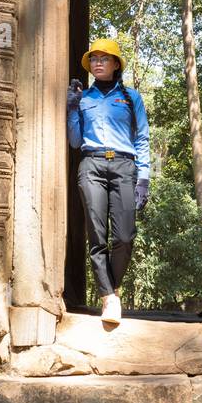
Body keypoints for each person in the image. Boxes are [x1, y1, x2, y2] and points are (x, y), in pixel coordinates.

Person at [66, 37, 150, 324]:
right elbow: (76, 141)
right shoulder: (83, 98)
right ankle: (108, 298)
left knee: (124, 236)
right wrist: (72, 109)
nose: (98, 63)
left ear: (116, 65)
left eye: (104, 58)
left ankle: (112, 287)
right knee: (97, 235)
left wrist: (144, 178)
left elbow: (142, 139)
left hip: (125, 166)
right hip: (91, 164)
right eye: (94, 59)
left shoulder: (130, 98)